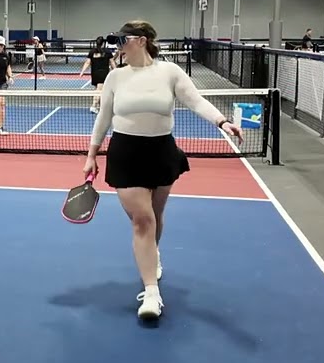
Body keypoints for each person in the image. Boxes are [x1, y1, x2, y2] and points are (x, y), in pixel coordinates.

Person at [83, 20, 244, 320]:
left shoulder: (169, 72)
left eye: (123, 40)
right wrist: (91, 155)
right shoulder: (116, 77)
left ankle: (152, 257)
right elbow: (103, 118)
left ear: (142, 41)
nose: (119, 46)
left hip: (160, 152)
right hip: (125, 153)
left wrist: (223, 122)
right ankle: (151, 292)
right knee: (142, 220)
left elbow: (196, 102)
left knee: (155, 216)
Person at [78, 36, 114, 112]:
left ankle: (101, 107)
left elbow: (87, 62)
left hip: (94, 74)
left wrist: (82, 72)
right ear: (103, 43)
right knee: (99, 90)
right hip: (103, 74)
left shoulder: (92, 52)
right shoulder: (107, 52)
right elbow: (112, 62)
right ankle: (93, 106)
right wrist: (117, 71)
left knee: (98, 90)